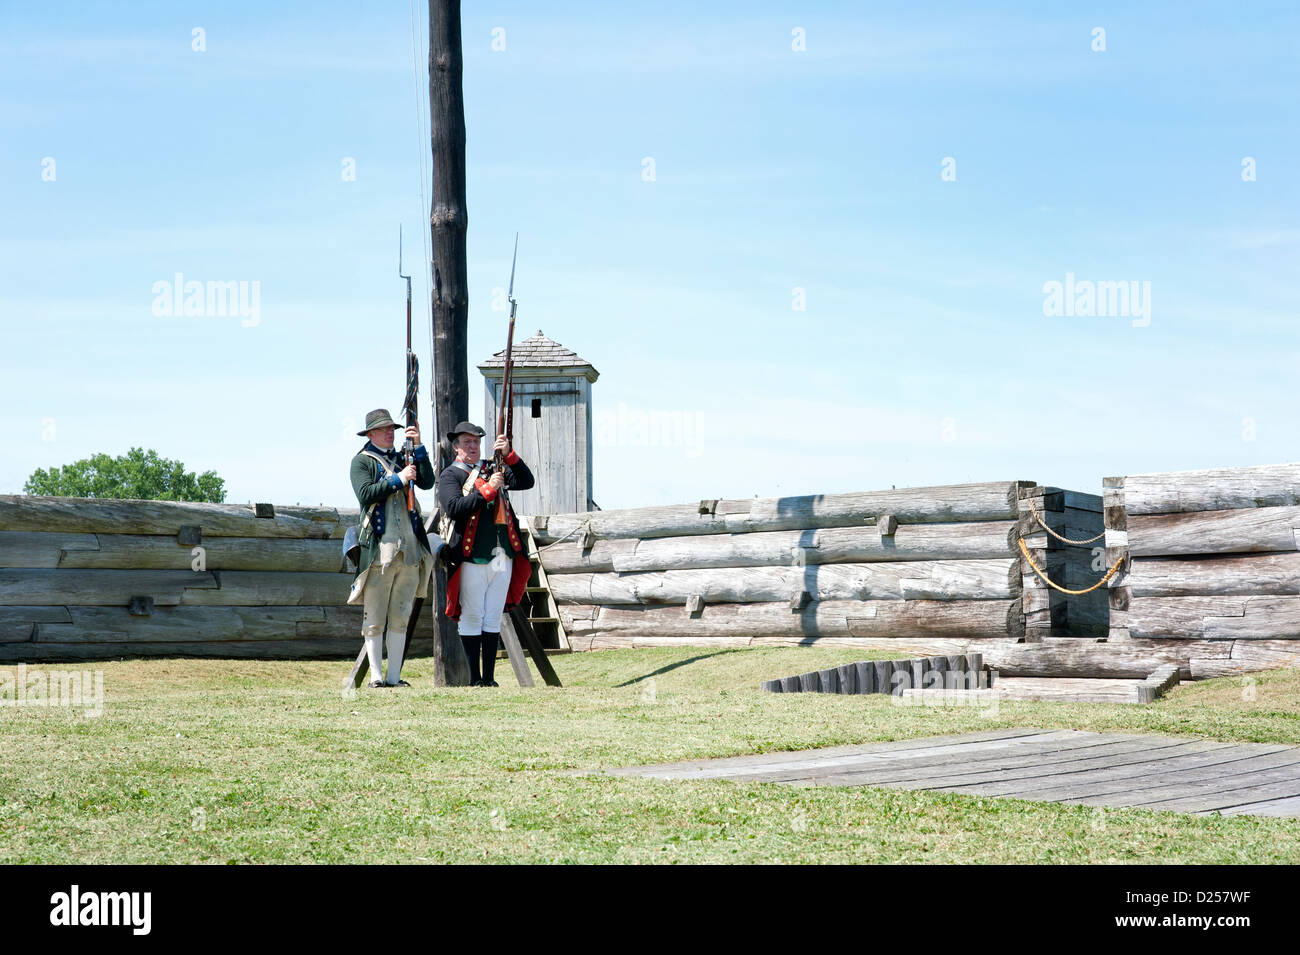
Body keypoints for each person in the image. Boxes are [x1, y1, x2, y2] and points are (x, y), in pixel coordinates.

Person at [437, 421, 534, 686]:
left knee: (492, 615)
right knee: (471, 615)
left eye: (476, 442)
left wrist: (510, 454)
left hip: (502, 554)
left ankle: (489, 679)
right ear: (456, 447)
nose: (472, 446)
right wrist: (488, 489)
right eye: (466, 442)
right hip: (471, 556)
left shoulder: (493, 468)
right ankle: (474, 679)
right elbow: (455, 508)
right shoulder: (451, 475)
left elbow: (526, 481)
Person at [347, 408, 437, 688]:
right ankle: (376, 677)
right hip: (379, 551)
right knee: (374, 618)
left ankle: (395, 677)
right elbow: (365, 494)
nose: (390, 432)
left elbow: (427, 481)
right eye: (384, 428)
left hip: (408, 549)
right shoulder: (362, 461)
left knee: (400, 616)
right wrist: (398, 479)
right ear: (371, 433)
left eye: (392, 428)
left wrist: (418, 447)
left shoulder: (402, 457)